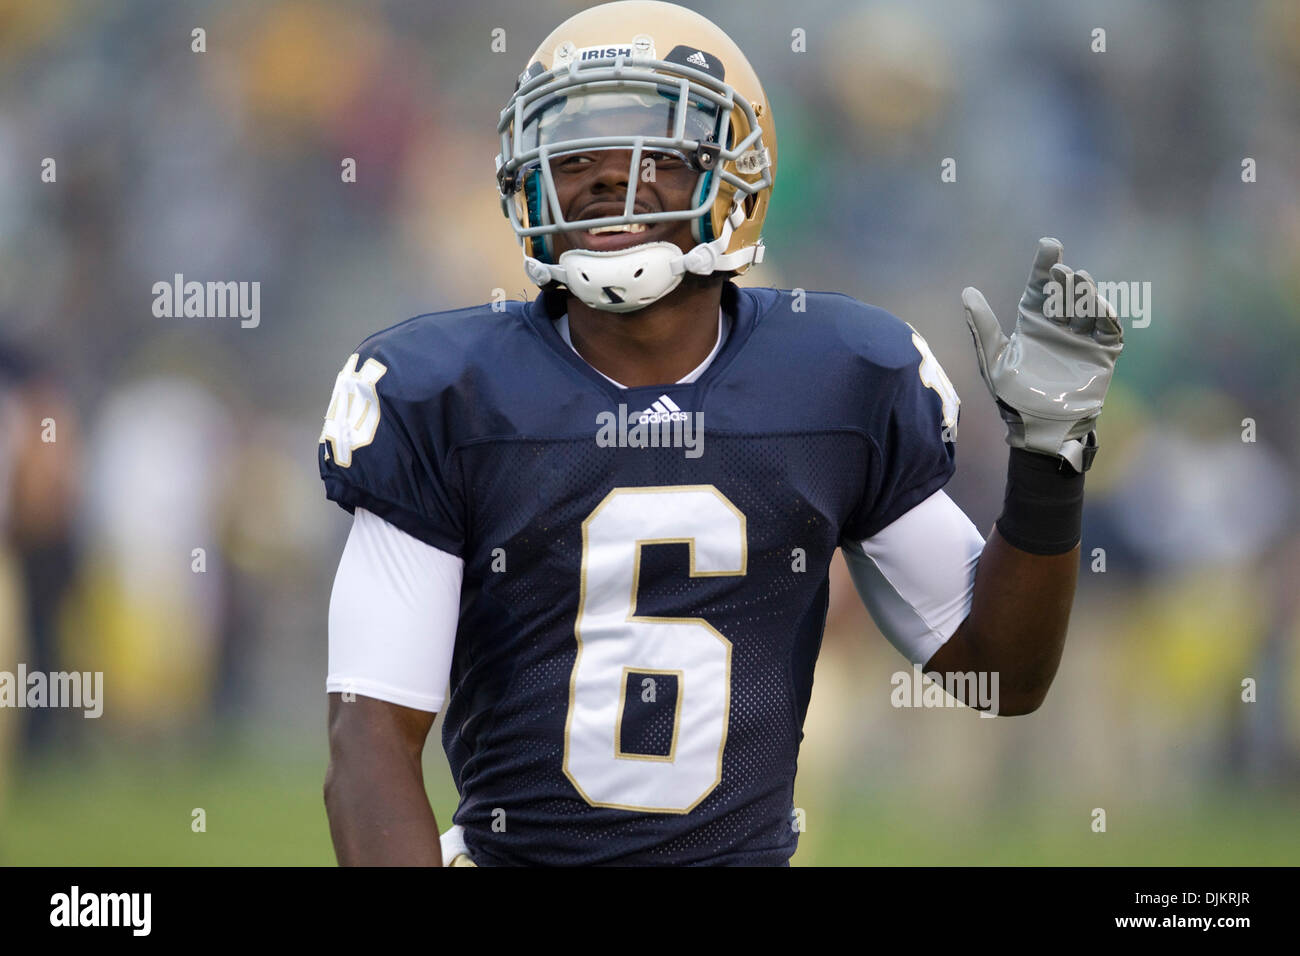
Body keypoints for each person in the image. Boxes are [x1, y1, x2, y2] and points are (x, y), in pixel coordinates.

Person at [319, 0, 1123, 866]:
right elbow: (369, 743)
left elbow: (1000, 672)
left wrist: (1048, 462)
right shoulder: (447, 394)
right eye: (574, 148)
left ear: (739, 171)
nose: (604, 175)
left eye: (652, 148)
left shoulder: (838, 376)